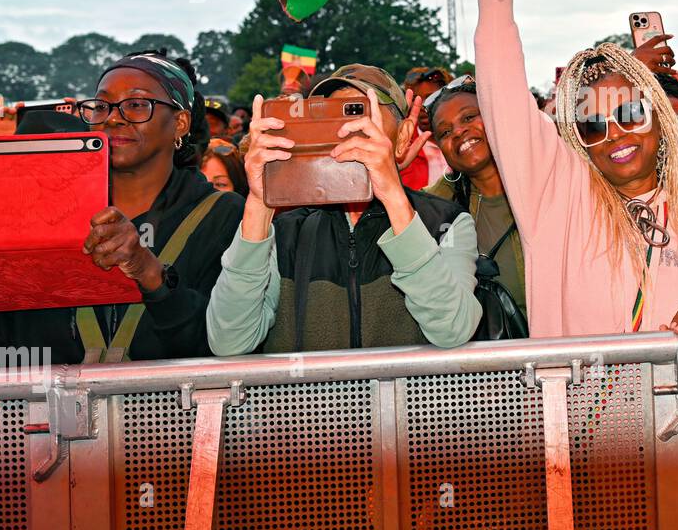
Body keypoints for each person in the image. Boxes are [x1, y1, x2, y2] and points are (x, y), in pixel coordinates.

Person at [453, 0, 678, 337]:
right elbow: (503, 92)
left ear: (658, 117)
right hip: (583, 413)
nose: (614, 131)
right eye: (593, 124)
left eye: (629, 112)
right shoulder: (559, 201)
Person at [0, 54, 245, 362]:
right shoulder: (43, 213)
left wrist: (149, 272)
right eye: (102, 106)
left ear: (180, 123)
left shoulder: (224, 216)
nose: (113, 118)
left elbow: (225, 344)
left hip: (174, 409)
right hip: (53, 409)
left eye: (136, 104)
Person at [206, 63, 481, 354]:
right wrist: (260, 202)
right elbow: (229, 342)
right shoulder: (285, 233)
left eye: (357, 113)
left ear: (402, 137)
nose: (346, 131)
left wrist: (393, 196)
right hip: (304, 400)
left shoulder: (446, 222)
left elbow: (453, 328)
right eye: (331, 117)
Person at [424, 76, 526, 316]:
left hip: (562, 346)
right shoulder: (437, 207)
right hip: (484, 352)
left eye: (469, 117)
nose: (459, 131)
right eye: (445, 132)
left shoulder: (549, 183)